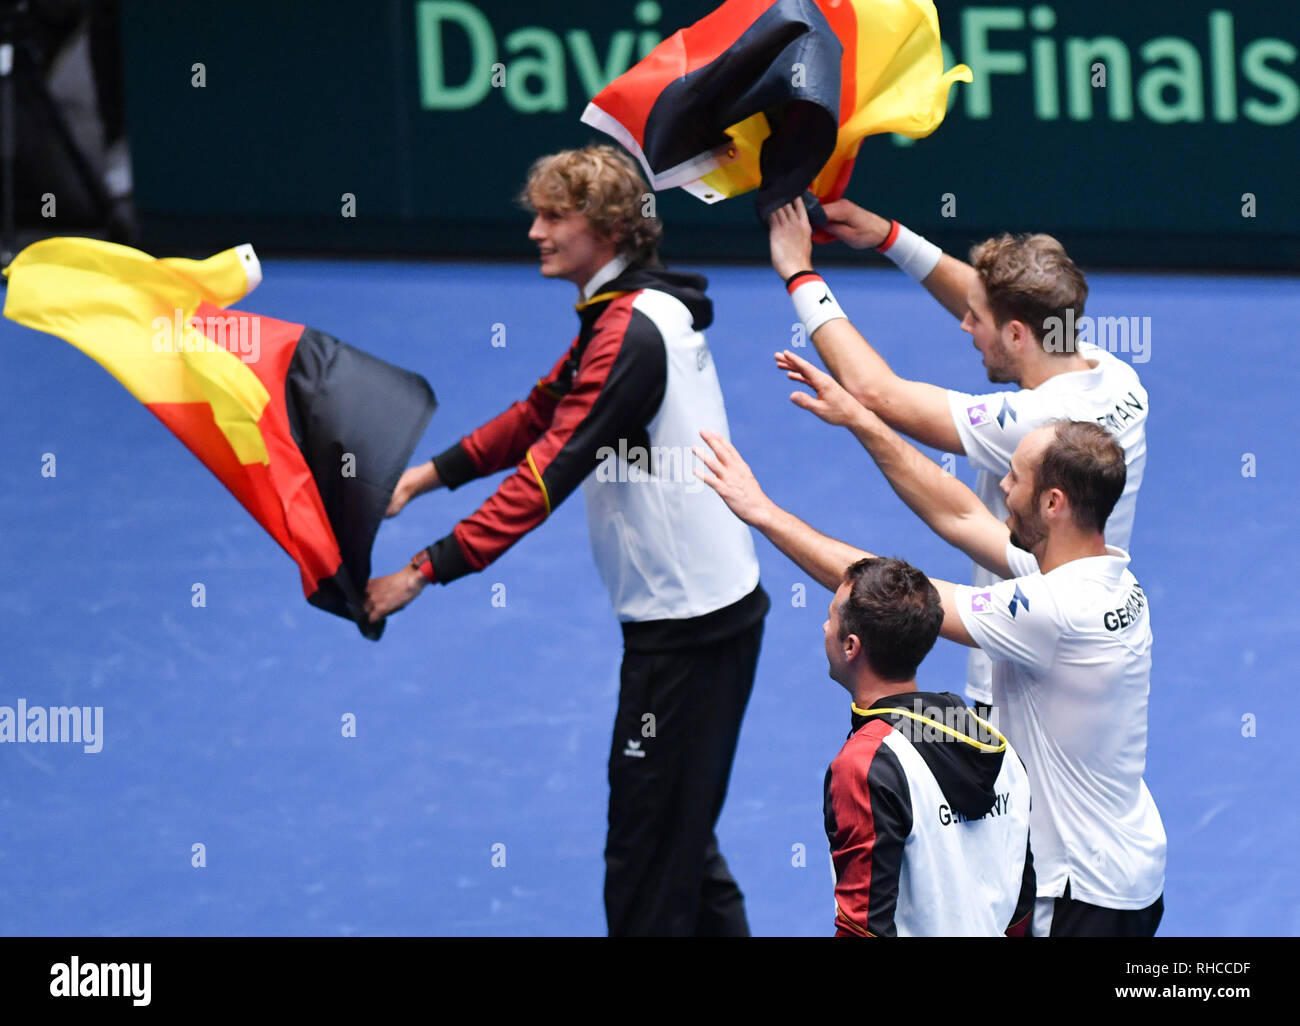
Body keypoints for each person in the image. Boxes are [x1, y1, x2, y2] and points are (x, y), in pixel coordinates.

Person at [365, 144, 770, 937]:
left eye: (555, 217)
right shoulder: (625, 312)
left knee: (646, 861)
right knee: (680, 843)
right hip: (700, 622)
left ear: (610, 228)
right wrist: (423, 479)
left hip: (686, 636)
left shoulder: (630, 333)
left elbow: (547, 471)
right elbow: (539, 411)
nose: (536, 232)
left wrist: (420, 571)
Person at [693, 373, 1166, 937]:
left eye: (1014, 477)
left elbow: (897, 597)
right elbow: (959, 515)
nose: (1002, 487)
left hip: (1080, 891)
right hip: (1126, 866)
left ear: (1053, 503)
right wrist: (862, 420)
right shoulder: (1102, 573)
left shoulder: (1054, 610)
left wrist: (764, 513)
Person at [768, 197, 1149, 712]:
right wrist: (888, 236)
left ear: (1016, 334)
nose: (964, 325)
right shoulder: (1114, 375)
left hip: (1028, 656)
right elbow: (1006, 305)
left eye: (976, 318)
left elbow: (877, 392)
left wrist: (799, 273)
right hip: (1078, 644)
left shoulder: (1039, 425)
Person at [821, 556, 1035, 937]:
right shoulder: (1000, 749)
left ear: (851, 646)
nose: (824, 627)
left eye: (830, 619)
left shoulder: (865, 765)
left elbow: (862, 928)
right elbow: (1020, 909)